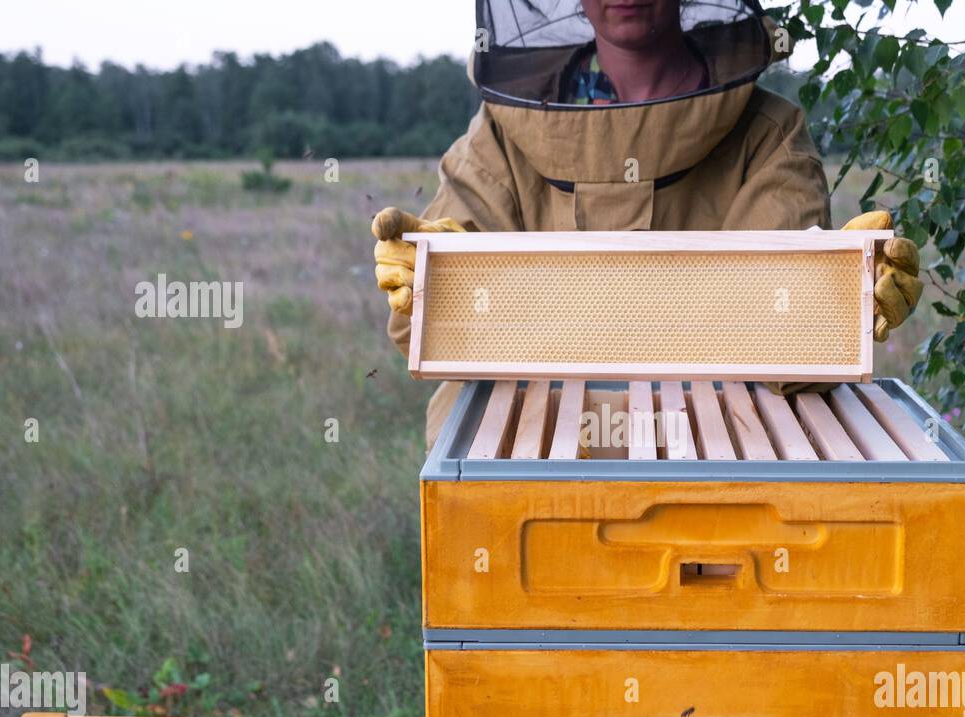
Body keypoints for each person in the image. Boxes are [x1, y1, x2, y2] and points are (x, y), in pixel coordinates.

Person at [371, 0, 922, 443]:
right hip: (526, 456)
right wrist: (435, 275)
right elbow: (429, 332)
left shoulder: (766, 131)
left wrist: (832, 295)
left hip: (717, 461)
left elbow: (784, 350)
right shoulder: (499, 132)